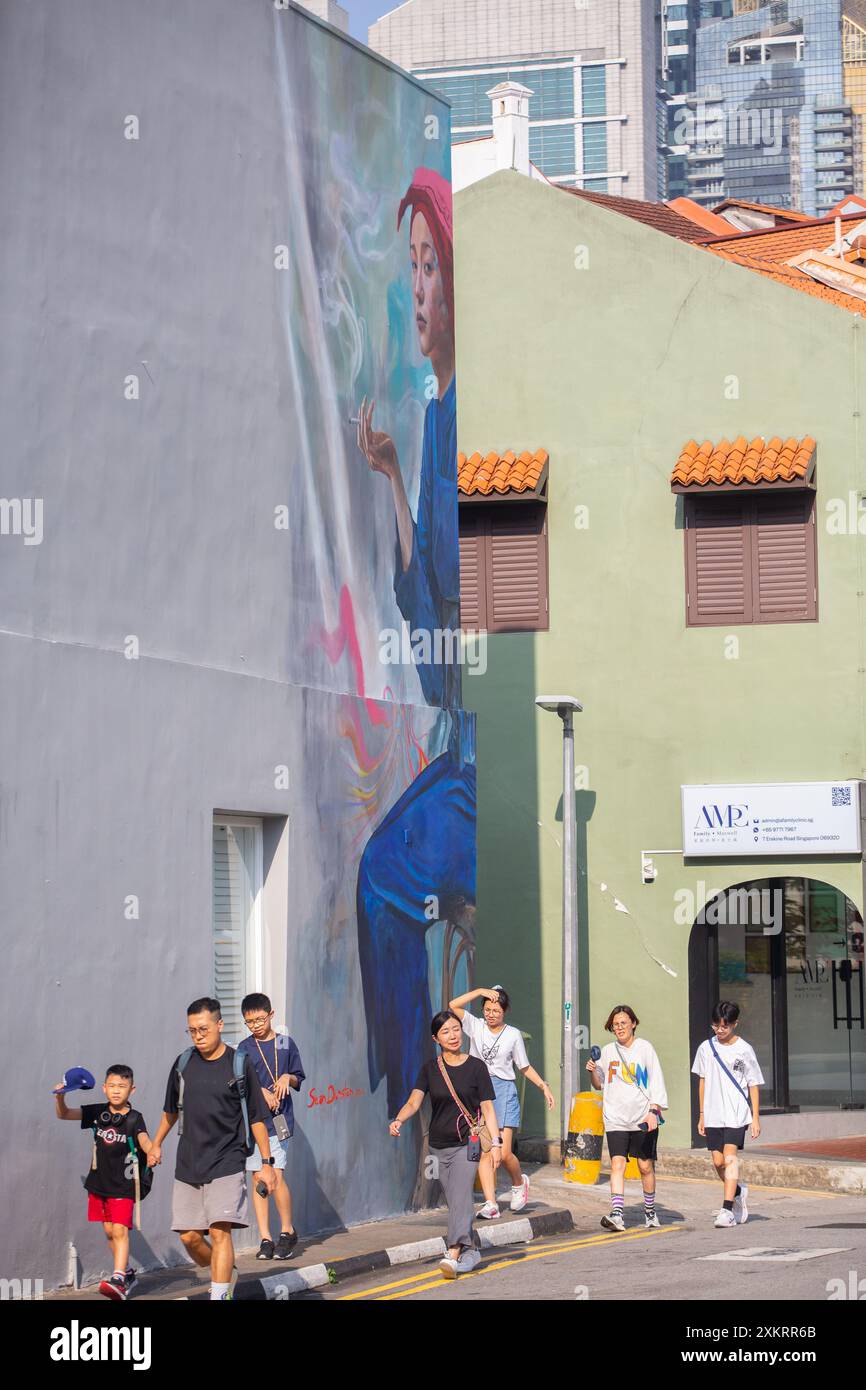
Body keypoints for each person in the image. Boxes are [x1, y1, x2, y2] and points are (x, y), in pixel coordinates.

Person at [356, 167, 476, 1120]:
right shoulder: (436, 417)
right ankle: (413, 1092)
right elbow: (421, 590)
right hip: (451, 731)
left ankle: (413, 1092)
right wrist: (395, 475)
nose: (423, 292)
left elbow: (453, 591)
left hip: (475, 743)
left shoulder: (468, 413)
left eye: (433, 269)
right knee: (381, 882)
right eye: (415, 271)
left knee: (380, 876)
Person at [147, 997, 275, 1300]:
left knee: (219, 1232)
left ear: (219, 1025)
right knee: (190, 1238)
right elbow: (170, 1111)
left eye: (203, 1028)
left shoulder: (239, 1064)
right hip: (189, 1161)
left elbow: (257, 1118)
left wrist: (266, 1163)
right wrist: (155, 1143)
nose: (198, 1035)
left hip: (227, 1160)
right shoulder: (183, 1064)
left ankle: (219, 1295)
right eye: (192, 1030)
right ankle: (226, 1273)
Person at [389, 1009, 501, 1279]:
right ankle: (471, 1249)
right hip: (438, 1145)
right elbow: (415, 1101)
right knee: (457, 1202)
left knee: (462, 1195)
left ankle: (452, 1253)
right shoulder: (430, 1069)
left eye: (455, 1029)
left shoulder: (476, 1067)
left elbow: (487, 1107)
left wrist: (496, 1143)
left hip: (468, 1144)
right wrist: (399, 1120)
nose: (453, 1036)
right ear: (436, 1038)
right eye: (445, 1032)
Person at [448, 985, 554, 1217]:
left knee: (504, 1153)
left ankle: (519, 1183)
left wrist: (543, 1086)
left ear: (505, 1011)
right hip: (479, 1092)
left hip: (504, 1091)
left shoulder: (513, 1035)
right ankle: (491, 1204)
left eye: (496, 1010)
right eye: (487, 1009)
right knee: (486, 1152)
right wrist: (479, 992)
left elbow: (523, 1067)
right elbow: (453, 1006)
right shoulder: (475, 1026)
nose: (491, 1013)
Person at [54, 1064, 152, 1301]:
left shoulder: (135, 1118)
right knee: (109, 1232)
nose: (117, 1091)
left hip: (124, 1185)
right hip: (99, 1183)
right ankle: (128, 1272)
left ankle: (118, 1278)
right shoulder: (98, 1112)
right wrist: (61, 1096)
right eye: (113, 1086)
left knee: (119, 1230)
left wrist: (152, 1151)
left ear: (132, 1089)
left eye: (122, 1086)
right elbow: (64, 1114)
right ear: (104, 1088)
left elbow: (144, 1140)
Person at [237, 992, 305, 1261]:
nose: (255, 1025)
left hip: (280, 1122)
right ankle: (265, 1237)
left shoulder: (285, 1044)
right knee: (258, 1178)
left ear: (271, 1015)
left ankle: (287, 1231)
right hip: (255, 1123)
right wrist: (260, 1092)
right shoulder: (243, 1048)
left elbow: (299, 1078)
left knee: (274, 1178)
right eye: (249, 1021)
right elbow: (239, 1085)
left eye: (259, 1019)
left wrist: (287, 1077)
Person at [587, 1005, 668, 1232]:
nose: (620, 1027)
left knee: (644, 1166)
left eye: (623, 1022)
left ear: (633, 1023)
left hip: (642, 1117)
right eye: (615, 1024)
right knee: (617, 1163)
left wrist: (654, 1111)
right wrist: (592, 1069)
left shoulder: (645, 1049)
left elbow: (656, 1081)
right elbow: (598, 1084)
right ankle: (617, 1214)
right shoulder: (606, 1051)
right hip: (615, 1118)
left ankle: (650, 1212)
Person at [692, 1000, 763, 1228]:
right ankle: (739, 1191)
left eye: (724, 1026)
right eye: (716, 1025)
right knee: (717, 1161)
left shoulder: (744, 1050)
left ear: (735, 1024)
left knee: (730, 1159)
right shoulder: (705, 1048)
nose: (719, 1030)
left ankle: (727, 1210)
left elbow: (753, 1084)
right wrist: (702, 1114)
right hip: (713, 1113)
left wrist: (755, 1117)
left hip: (735, 1113)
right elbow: (702, 1081)